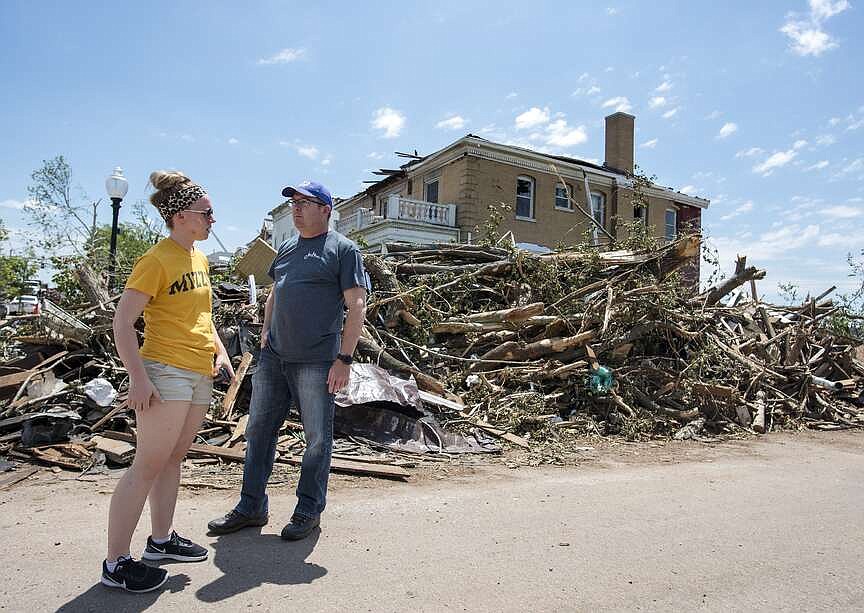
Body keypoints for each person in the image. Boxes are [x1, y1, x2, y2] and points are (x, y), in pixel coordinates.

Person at [208, 180, 367, 540]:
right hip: (275, 359)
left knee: (316, 439)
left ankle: (308, 509)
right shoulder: (287, 247)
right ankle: (251, 505)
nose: (295, 208)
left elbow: (356, 304)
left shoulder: (342, 250)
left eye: (304, 202)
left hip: (316, 361)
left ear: (325, 209)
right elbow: (275, 292)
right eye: (293, 202)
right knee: (259, 431)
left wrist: (345, 357)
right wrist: (266, 330)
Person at [102, 171, 235, 593]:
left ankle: (160, 542)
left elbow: (203, 315)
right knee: (147, 464)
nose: (213, 219)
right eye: (207, 213)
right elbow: (122, 323)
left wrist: (220, 350)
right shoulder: (156, 260)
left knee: (174, 458)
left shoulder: (196, 257)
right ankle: (116, 562)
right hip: (165, 371)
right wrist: (137, 378)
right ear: (181, 216)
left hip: (198, 371)